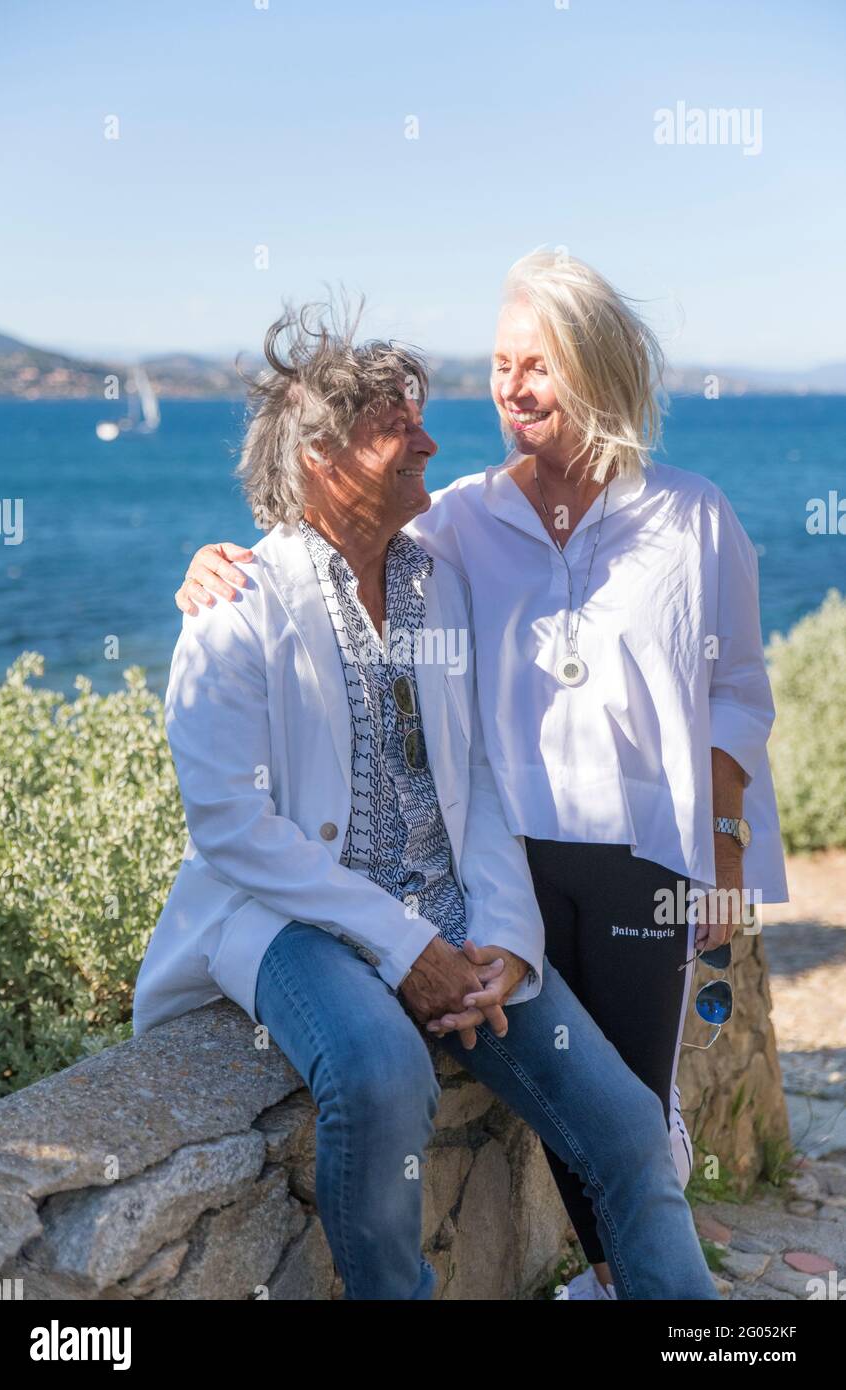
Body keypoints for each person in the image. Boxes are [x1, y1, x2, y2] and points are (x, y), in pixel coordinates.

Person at [175, 253, 789, 1300]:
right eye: (397, 427)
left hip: (538, 889)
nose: (439, 431)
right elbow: (234, 813)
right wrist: (207, 560)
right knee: (382, 1070)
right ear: (325, 459)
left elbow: (482, 768)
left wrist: (505, 930)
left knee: (632, 1123)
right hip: (365, 909)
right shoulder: (318, 579)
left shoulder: (462, 566)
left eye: (531, 364)